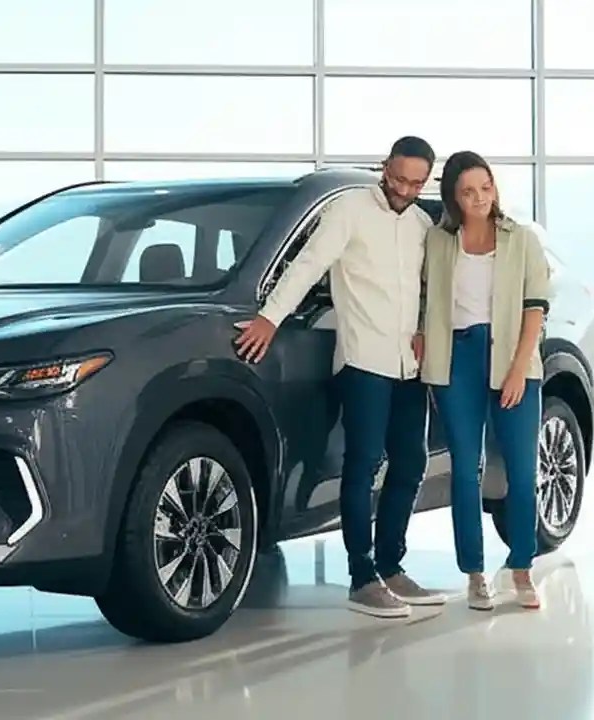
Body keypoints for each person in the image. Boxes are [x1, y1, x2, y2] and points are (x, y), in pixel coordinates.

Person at [235, 136, 445, 618]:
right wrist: (269, 318)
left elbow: (425, 290)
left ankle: (391, 567)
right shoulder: (348, 210)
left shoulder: (420, 224)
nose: (404, 190)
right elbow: (308, 265)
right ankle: (362, 577)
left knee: (411, 462)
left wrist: (422, 329)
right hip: (363, 360)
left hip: (409, 366)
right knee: (363, 464)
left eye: (416, 183)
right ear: (384, 167)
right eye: (398, 178)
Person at [417, 150, 551, 611]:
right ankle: (474, 573)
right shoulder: (438, 241)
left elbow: (535, 308)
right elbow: (425, 299)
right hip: (457, 361)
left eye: (486, 188)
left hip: (513, 359)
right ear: (453, 198)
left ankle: (522, 567)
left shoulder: (521, 239)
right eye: (468, 192)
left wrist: (518, 369)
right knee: (465, 468)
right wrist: (422, 340)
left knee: (521, 469)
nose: (479, 198)